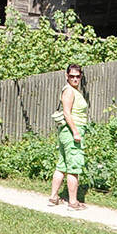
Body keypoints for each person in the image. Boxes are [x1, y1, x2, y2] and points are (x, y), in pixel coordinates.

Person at [48, 63, 90, 210]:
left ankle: (53, 197)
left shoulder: (73, 90)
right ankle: (73, 202)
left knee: (62, 165)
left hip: (67, 132)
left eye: (77, 76)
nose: (75, 79)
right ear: (66, 76)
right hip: (72, 132)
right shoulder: (69, 92)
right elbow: (66, 112)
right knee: (74, 166)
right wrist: (76, 132)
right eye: (71, 76)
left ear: (81, 76)